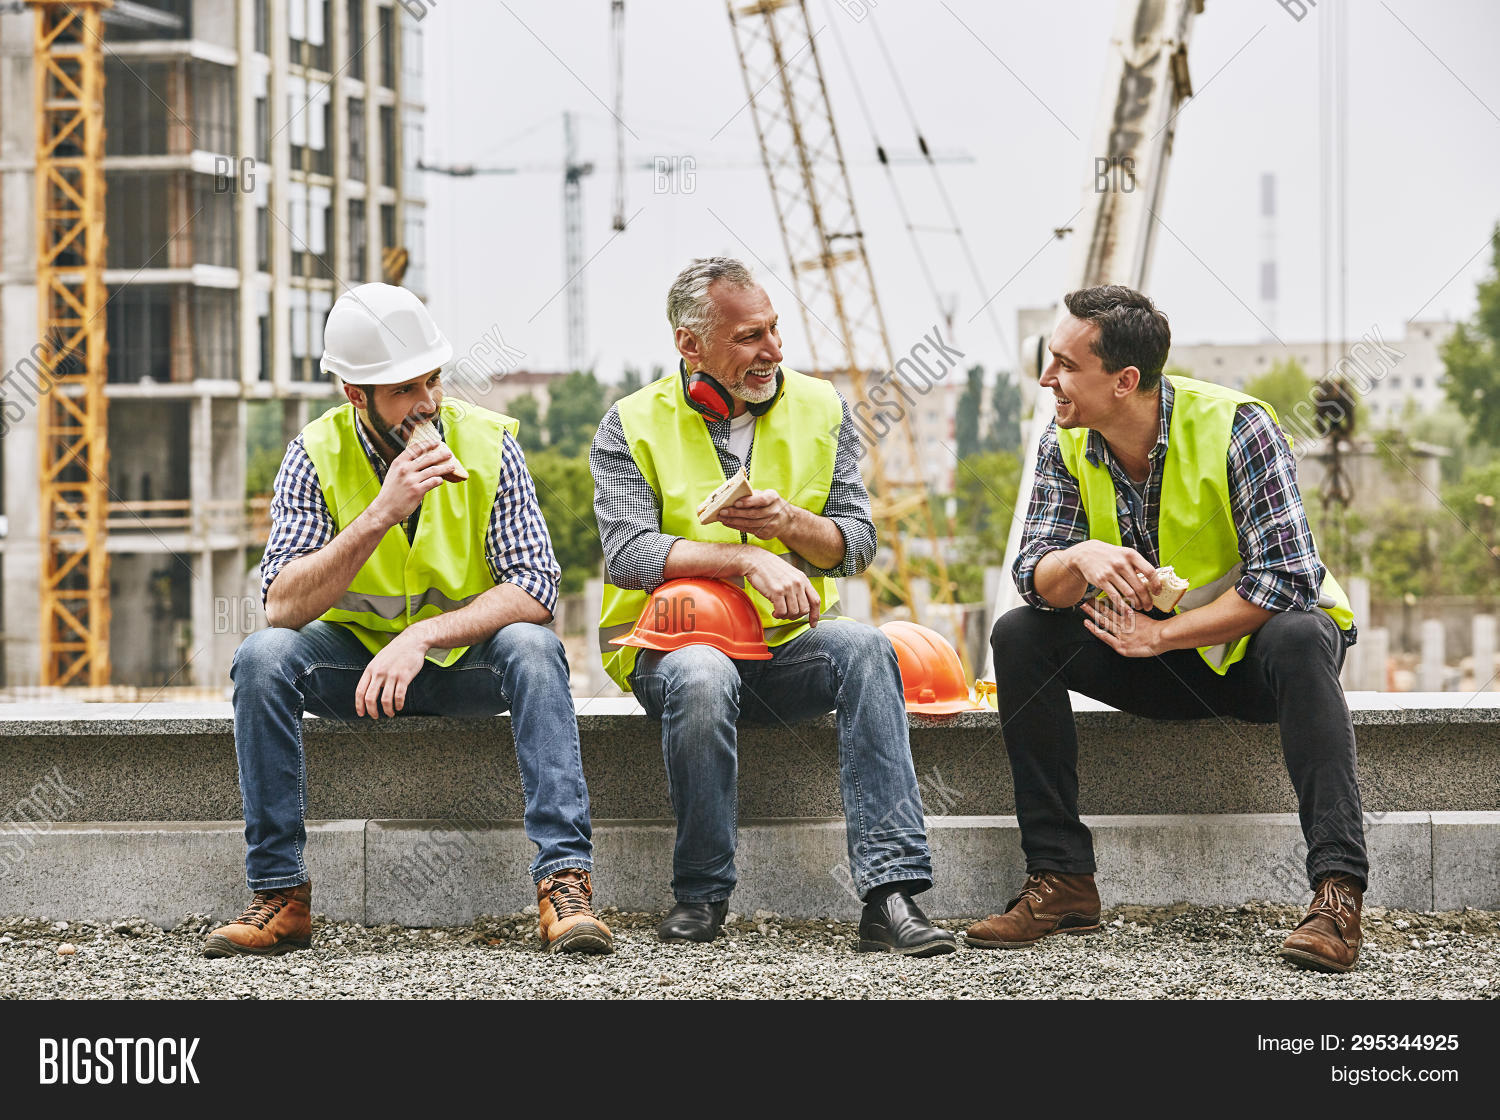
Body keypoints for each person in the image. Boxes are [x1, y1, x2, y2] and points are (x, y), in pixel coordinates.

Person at [968, 285, 1368, 973]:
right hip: (1160, 661)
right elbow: (1034, 575)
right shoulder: (1063, 444)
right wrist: (1077, 557)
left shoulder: (1239, 426)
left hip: (1257, 665)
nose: (1046, 379)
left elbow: (1287, 580)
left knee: (1302, 634)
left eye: (1064, 364)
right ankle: (1062, 880)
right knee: (1019, 635)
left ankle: (1337, 893)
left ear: (1125, 381)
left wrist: (1161, 635)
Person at [206, 283, 611, 958]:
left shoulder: (490, 446)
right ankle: (281, 894)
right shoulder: (315, 453)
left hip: (464, 662)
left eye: (432, 381)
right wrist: (380, 513)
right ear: (354, 394)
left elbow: (537, 585)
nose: (426, 403)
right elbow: (283, 604)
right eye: (403, 390)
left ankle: (562, 885)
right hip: (359, 671)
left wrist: (422, 636)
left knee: (536, 648)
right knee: (262, 658)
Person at [589, 257, 955, 956]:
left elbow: (854, 544)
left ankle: (890, 896)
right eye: (750, 336)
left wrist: (787, 525)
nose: (774, 351)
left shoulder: (822, 409)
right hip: (670, 653)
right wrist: (746, 558)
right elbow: (630, 554)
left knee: (869, 648)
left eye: (774, 330)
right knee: (703, 676)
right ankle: (701, 894)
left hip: (785, 649)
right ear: (690, 345)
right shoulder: (630, 424)